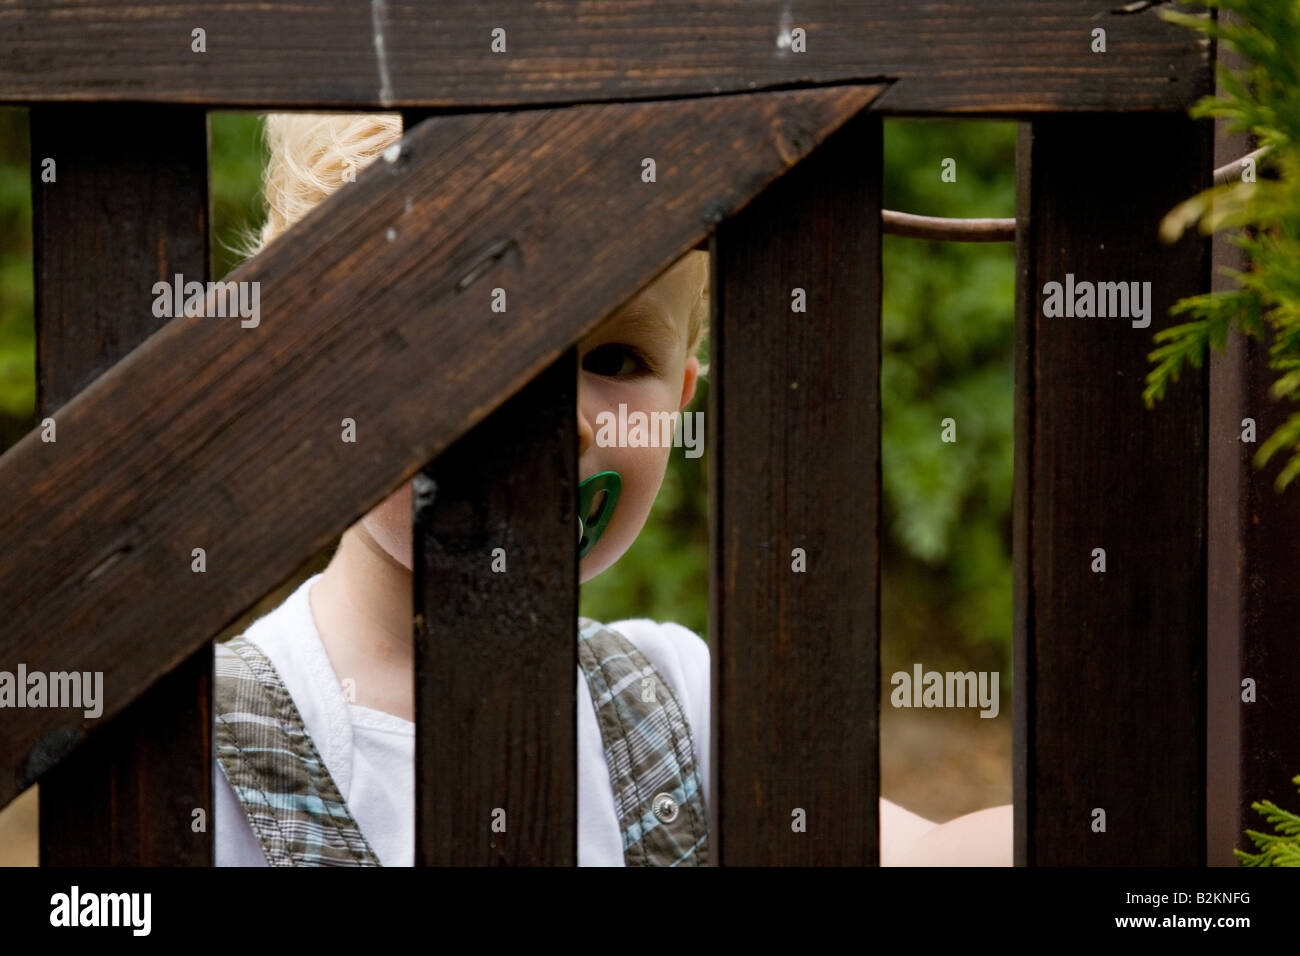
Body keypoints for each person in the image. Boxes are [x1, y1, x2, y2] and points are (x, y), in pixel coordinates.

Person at [213, 112, 1012, 867]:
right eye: (457, 341)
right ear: (307, 375)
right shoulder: (207, 747)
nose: (554, 417)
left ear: (682, 397)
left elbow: (917, 856)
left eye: (617, 361)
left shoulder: (675, 704)